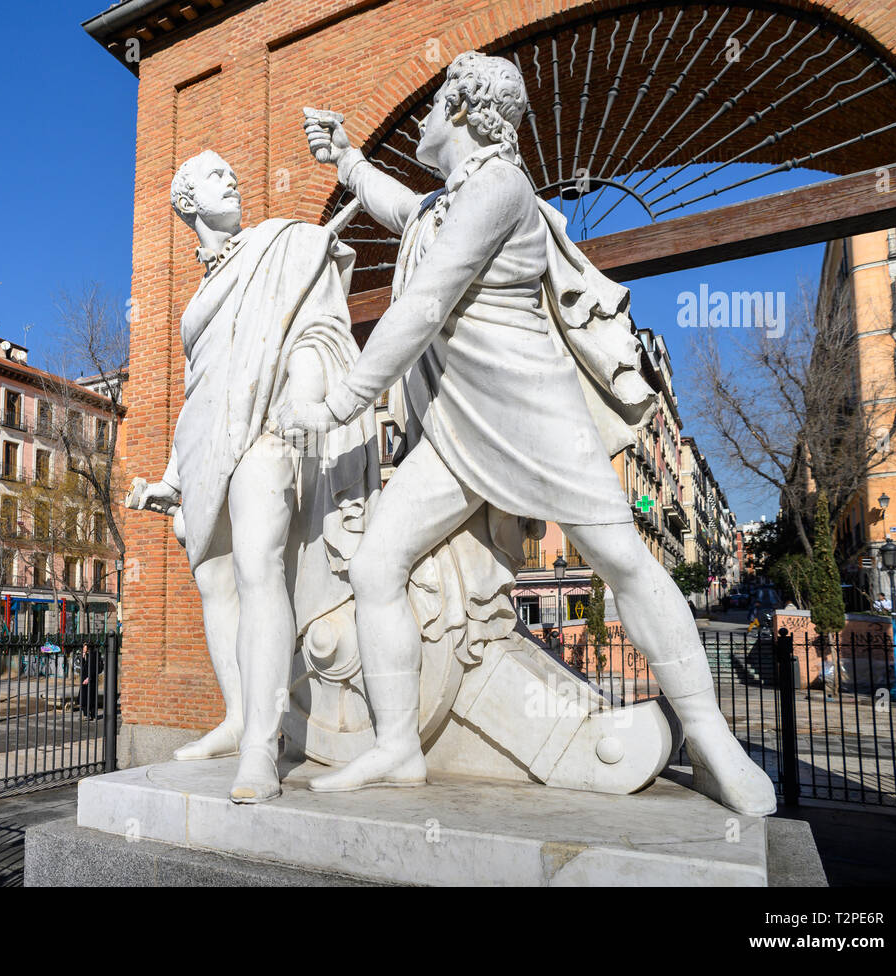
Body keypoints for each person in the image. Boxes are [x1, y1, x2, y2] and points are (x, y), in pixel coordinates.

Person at [283, 52, 776, 816]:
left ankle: (711, 738)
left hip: (533, 411)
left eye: (433, 101)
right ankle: (398, 746)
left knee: (622, 559)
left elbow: (420, 306)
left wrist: (345, 399)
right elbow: (402, 210)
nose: (418, 117)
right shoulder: (448, 203)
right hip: (456, 426)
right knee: (378, 564)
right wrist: (347, 160)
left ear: (463, 113)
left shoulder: (501, 190)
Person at [131, 151, 379, 802]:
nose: (232, 179)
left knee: (258, 564)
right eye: (215, 176)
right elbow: (197, 397)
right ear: (186, 201)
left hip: (270, 427)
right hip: (208, 443)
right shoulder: (195, 308)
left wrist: (304, 389)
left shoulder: (281, 244)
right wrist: (171, 479)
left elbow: (317, 325)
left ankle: (262, 750)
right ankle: (240, 714)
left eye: (231, 172)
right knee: (215, 577)